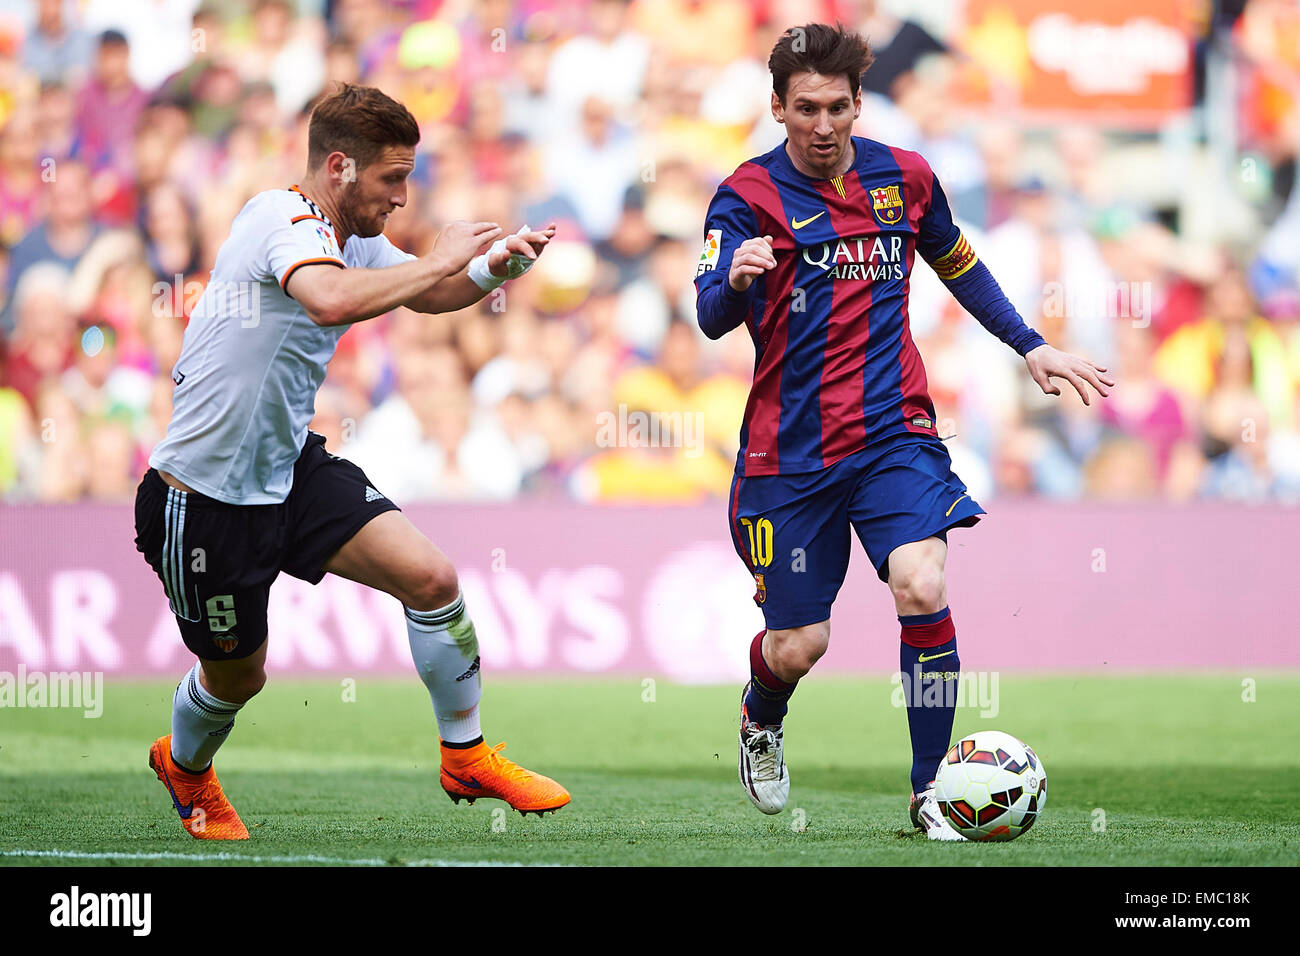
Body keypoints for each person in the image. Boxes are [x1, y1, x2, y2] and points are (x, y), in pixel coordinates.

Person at [693, 24, 1112, 840]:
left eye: (838, 107)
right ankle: (761, 711)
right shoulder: (743, 196)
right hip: (791, 456)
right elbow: (710, 314)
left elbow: (957, 261)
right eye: (805, 108)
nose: (823, 125)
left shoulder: (906, 177)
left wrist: (1031, 345)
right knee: (798, 646)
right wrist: (735, 282)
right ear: (777, 107)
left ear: (859, 105)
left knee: (922, 586)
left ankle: (930, 792)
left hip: (894, 433)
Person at [134, 83, 568, 840]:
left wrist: (494, 268)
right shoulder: (279, 218)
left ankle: (463, 755)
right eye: (392, 178)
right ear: (339, 167)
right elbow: (330, 300)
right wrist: (436, 259)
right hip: (201, 496)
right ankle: (187, 767)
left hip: (288, 469)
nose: (402, 196)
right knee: (240, 676)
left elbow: (427, 296)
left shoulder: (352, 236)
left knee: (431, 578)